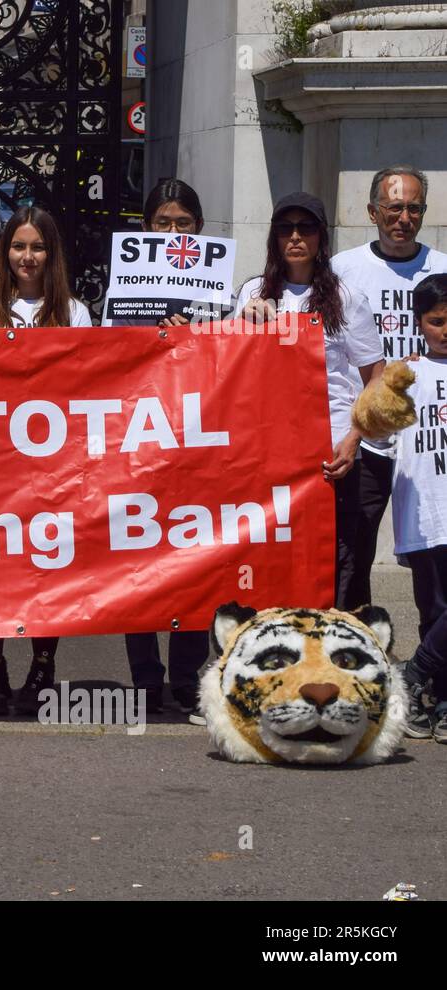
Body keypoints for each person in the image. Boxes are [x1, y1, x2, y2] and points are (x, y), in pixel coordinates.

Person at [0, 205, 90, 715]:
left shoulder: (75, 312)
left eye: (37, 247)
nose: (27, 257)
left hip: (53, 464)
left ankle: (43, 665)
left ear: (51, 253)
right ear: (3, 251)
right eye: (18, 246)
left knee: (47, 569)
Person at [101, 178, 216, 721]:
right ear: (145, 229)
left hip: (196, 447)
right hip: (138, 446)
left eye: (183, 224)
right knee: (138, 566)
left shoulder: (218, 290)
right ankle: (145, 679)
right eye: (162, 223)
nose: (172, 233)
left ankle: (190, 678)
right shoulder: (121, 295)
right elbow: (104, 363)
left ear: (198, 229)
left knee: (192, 564)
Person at [236, 192, 383, 613]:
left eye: (307, 227)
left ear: (322, 237)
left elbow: (375, 377)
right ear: (273, 238)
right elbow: (229, 371)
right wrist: (243, 322)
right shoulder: (252, 291)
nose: (296, 237)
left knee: (335, 559)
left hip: (330, 452)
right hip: (269, 452)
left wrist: (354, 440)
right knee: (274, 556)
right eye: (286, 228)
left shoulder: (347, 297)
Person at [332, 166, 447, 612]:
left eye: (414, 208)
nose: (404, 217)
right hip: (368, 438)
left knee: (433, 556)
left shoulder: (441, 268)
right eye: (393, 207)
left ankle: (432, 665)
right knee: (354, 552)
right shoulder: (343, 269)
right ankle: (357, 645)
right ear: (372, 211)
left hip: (428, 437)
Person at [367, 275, 447, 738]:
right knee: (435, 611)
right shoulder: (406, 377)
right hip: (425, 514)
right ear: (419, 324)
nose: (445, 330)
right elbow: (375, 432)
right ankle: (435, 702)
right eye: (436, 322)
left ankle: (414, 674)